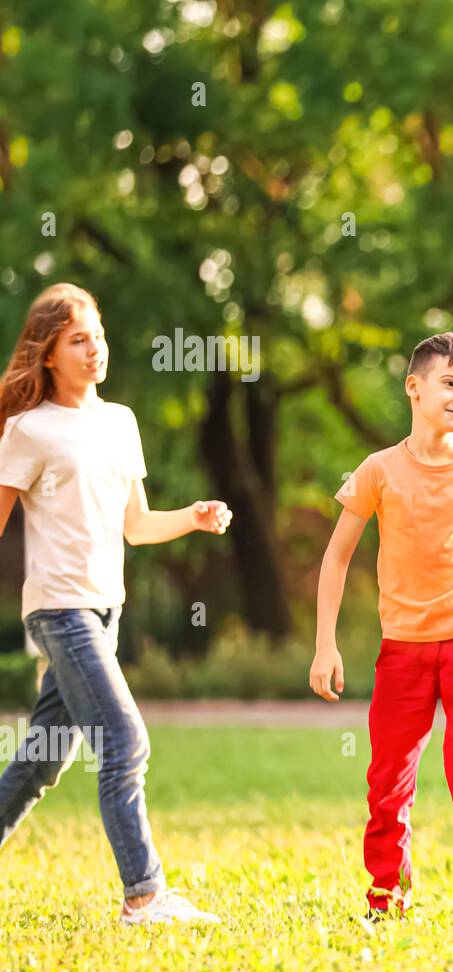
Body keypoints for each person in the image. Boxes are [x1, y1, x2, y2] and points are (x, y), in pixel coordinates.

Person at [0, 283, 231, 925]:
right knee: (125, 741)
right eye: (78, 339)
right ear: (47, 353)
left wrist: (192, 515)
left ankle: (144, 895)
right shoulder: (28, 429)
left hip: (106, 609)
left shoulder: (120, 421)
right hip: (59, 610)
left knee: (41, 761)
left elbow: (135, 525)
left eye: (97, 336)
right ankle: (144, 895)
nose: (94, 348)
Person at [310, 333, 453, 924]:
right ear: (413, 387)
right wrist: (325, 644)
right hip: (403, 651)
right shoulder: (378, 471)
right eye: (449, 383)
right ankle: (388, 898)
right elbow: (337, 556)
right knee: (387, 782)